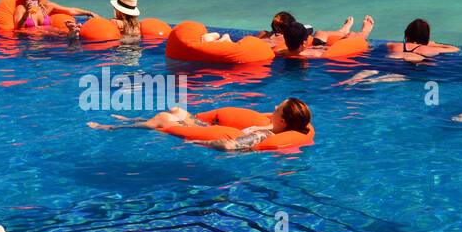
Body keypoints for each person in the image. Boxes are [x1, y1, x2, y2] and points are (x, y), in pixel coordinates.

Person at [88, 98, 312, 152]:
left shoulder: (262, 137)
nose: (273, 107)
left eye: (277, 109)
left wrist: (196, 143)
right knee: (177, 110)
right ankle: (131, 120)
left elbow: (230, 147)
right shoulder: (274, 124)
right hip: (206, 126)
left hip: (205, 134)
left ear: (283, 120)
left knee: (165, 120)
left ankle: (114, 128)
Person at [261, 11, 374, 49]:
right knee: (321, 33)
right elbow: (309, 29)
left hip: (295, 44)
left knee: (320, 34)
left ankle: (343, 30)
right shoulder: (293, 37)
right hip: (311, 45)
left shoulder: (264, 36)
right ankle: (363, 32)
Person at [386, 19, 459, 61]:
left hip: (393, 60)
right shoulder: (429, 49)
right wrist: (434, 44)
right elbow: (455, 49)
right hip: (416, 62)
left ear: (407, 32)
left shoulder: (392, 45)